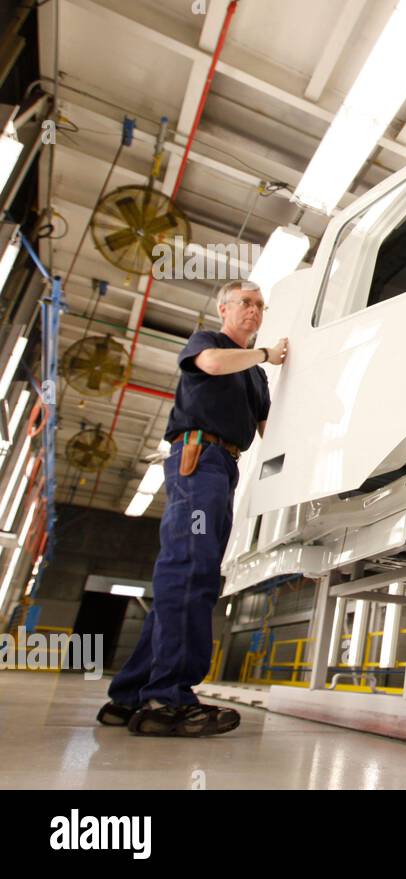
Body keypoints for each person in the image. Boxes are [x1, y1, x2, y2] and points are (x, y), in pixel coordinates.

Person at [97, 279, 288, 736]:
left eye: (261, 306)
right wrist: (266, 353)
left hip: (224, 468)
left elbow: (271, 430)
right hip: (197, 460)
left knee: (190, 574)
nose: (255, 311)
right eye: (246, 302)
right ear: (224, 309)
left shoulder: (255, 376)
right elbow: (213, 364)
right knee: (191, 570)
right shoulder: (210, 343)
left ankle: (131, 694)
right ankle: (169, 700)